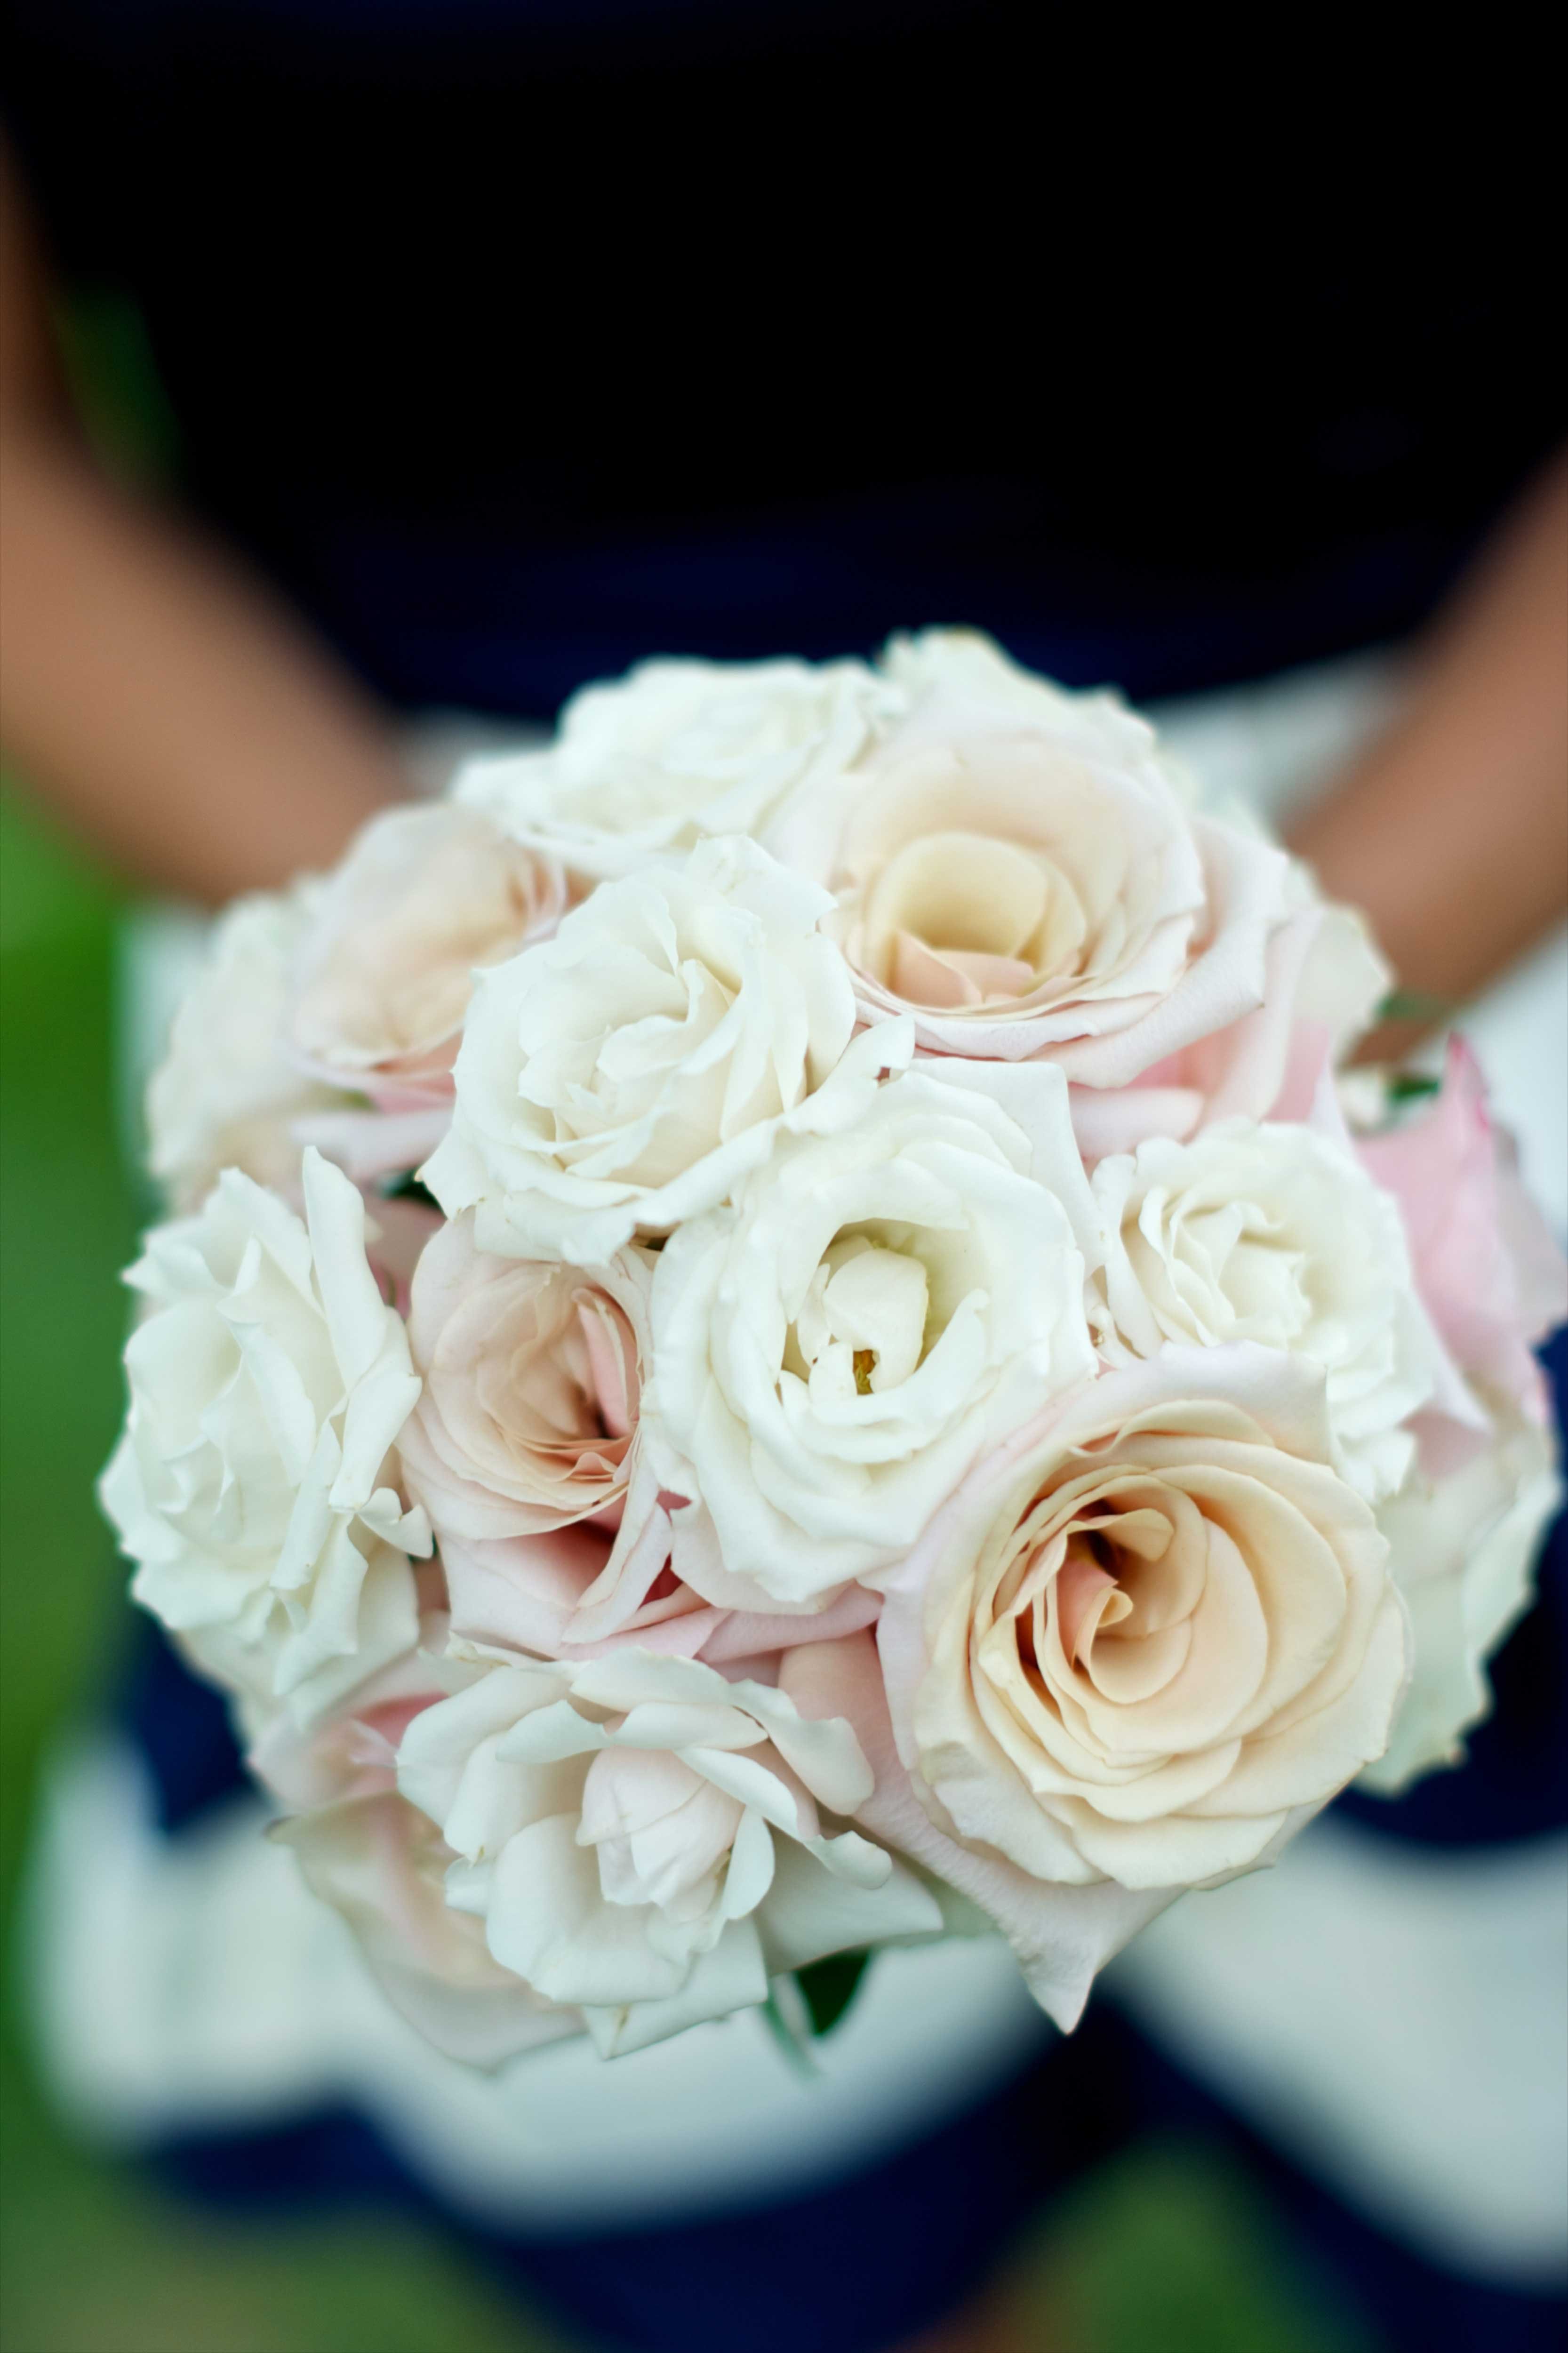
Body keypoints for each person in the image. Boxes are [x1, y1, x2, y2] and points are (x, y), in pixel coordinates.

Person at [3, 13, 1564, 2350]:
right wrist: (534, 1073)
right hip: (426, 985)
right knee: (757, 2216)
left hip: (1441, 900)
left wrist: (1210, 1035)